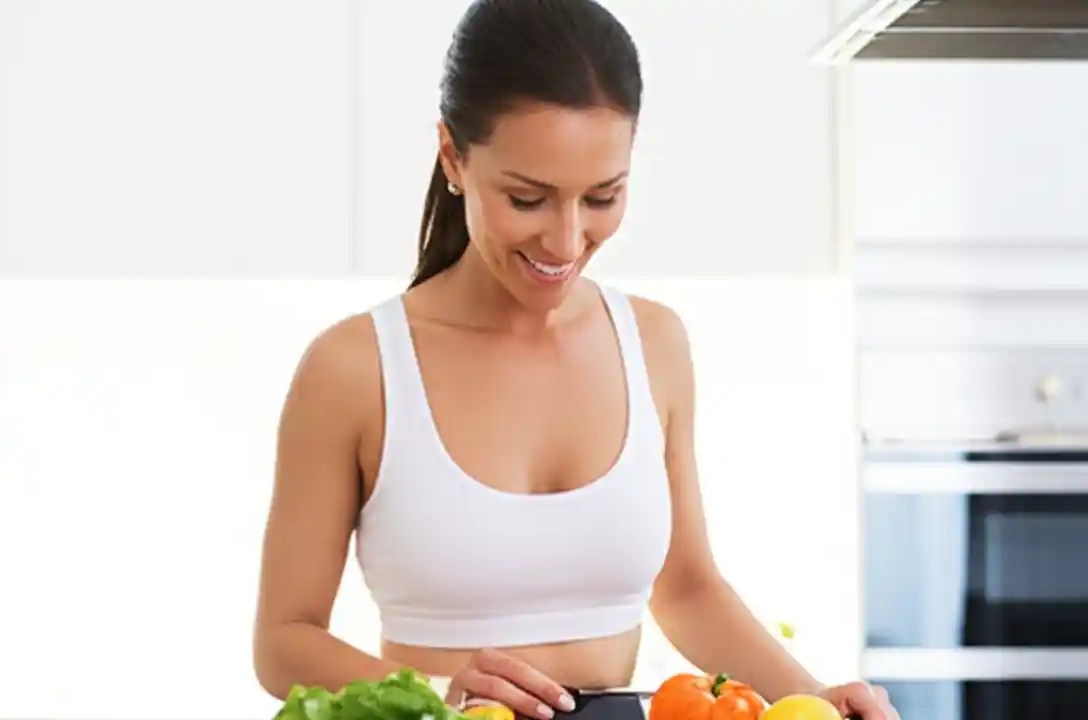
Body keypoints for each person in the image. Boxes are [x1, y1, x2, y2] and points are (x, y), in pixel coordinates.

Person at [253, 1, 899, 719]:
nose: (565, 241)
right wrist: (444, 694)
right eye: (527, 199)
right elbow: (283, 641)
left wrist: (810, 699)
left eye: (603, 197)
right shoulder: (354, 368)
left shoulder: (654, 342)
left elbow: (686, 588)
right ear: (452, 157)